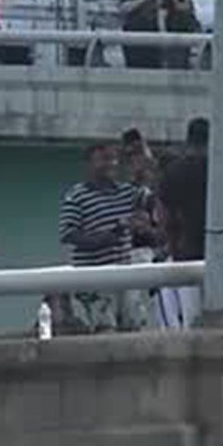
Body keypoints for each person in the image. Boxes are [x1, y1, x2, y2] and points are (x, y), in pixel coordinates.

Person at [58, 143, 144, 333]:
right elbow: (69, 234)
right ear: (89, 163)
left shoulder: (127, 193)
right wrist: (105, 238)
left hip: (125, 276)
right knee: (104, 331)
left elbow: (154, 197)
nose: (111, 164)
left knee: (132, 329)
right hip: (94, 280)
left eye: (113, 159)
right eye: (104, 159)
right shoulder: (77, 196)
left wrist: (143, 163)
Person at [154, 117, 211, 329]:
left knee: (191, 321)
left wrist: (170, 244)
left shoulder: (175, 171)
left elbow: (165, 216)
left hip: (186, 252)